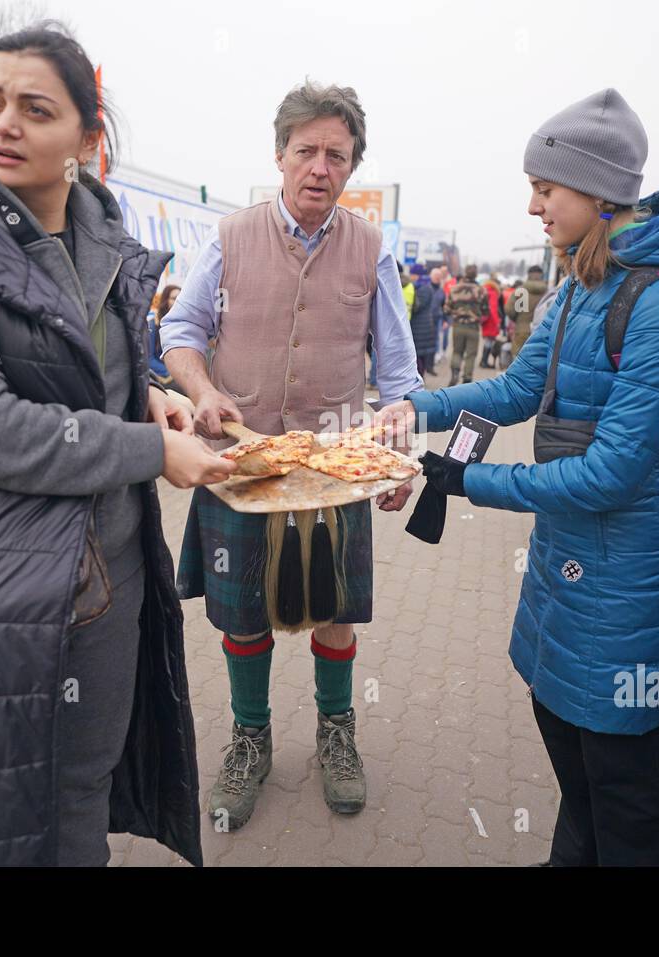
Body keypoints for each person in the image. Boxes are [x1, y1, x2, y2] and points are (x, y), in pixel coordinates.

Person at [0, 22, 234, 866]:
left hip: (108, 577)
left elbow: (73, 374)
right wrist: (148, 453)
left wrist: (150, 402)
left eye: (35, 108)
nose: (4, 125)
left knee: (78, 795)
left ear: (87, 139)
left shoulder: (100, 240)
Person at [380, 88, 659, 866]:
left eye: (546, 187)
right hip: (563, 567)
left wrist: (472, 483)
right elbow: (512, 390)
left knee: (628, 795)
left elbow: (609, 474)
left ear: (600, 192)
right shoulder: (577, 284)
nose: (533, 204)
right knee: (575, 769)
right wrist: (412, 407)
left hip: (628, 579)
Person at [160, 79, 423, 832]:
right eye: (305, 150)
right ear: (279, 155)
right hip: (239, 469)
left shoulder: (372, 249)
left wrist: (398, 440)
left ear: (351, 168)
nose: (320, 166)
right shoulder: (231, 235)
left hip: (332, 471)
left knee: (335, 611)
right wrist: (204, 390)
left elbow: (400, 373)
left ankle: (337, 734)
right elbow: (179, 332)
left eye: (336, 155)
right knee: (242, 610)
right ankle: (251, 737)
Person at [444, 264, 488, 385]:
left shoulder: (454, 289)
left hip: (458, 326)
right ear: (476, 274)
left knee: (457, 351)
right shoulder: (481, 291)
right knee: (471, 354)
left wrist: (457, 312)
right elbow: (486, 310)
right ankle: (467, 378)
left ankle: (455, 374)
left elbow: (446, 309)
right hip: (473, 327)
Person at [506, 264, 548, 357]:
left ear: (529, 275)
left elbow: (509, 310)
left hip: (522, 330)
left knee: (518, 360)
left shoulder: (520, 291)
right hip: (541, 332)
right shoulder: (548, 292)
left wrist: (517, 320)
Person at [148, 283, 180, 389]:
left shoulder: (182, 325)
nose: (178, 301)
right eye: (174, 298)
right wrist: (171, 373)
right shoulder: (153, 324)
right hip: (162, 376)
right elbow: (149, 359)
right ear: (165, 300)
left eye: (180, 298)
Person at [408, 262, 437, 375]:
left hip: (420, 327)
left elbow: (418, 306)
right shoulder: (424, 286)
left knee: (419, 355)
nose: (410, 277)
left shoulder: (423, 288)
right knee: (420, 355)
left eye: (412, 274)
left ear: (417, 275)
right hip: (423, 326)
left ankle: (419, 380)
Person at [479, 273, 503, 368]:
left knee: (487, 341)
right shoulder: (492, 293)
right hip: (491, 321)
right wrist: (497, 322)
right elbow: (493, 309)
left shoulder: (485, 290)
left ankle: (483, 361)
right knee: (489, 341)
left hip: (486, 320)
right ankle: (484, 362)